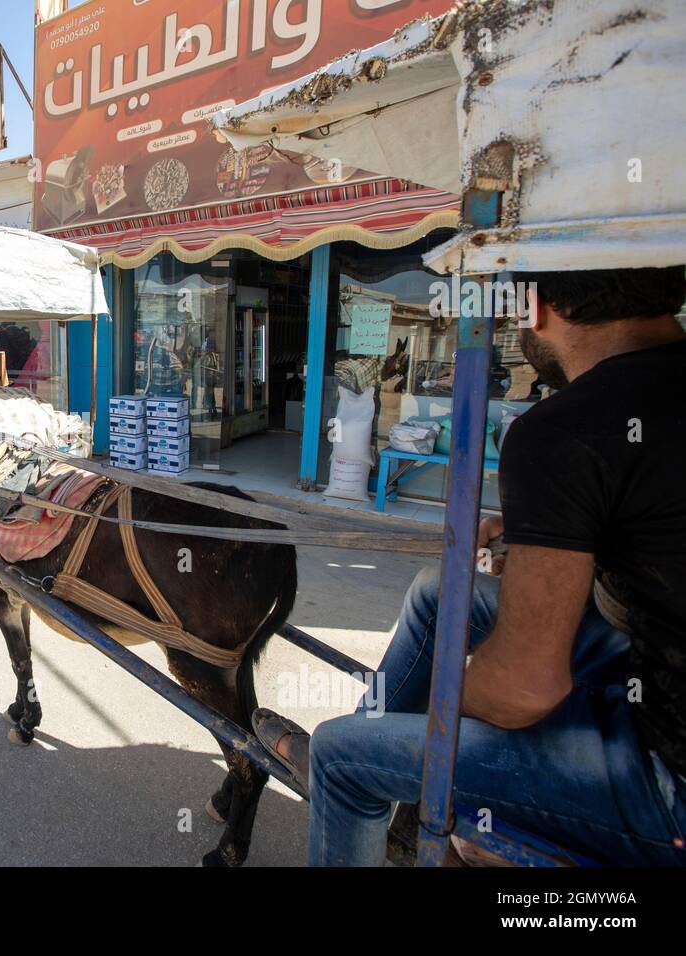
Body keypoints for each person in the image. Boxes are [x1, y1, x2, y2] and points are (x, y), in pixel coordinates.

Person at [254, 266, 686, 867]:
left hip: (667, 778)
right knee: (437, 591)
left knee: (338, 754)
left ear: (535, 306)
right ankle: (376, 737)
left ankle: (366, 761)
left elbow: (525, 688)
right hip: (642, 653)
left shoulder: (564, 431)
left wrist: (441, 718)